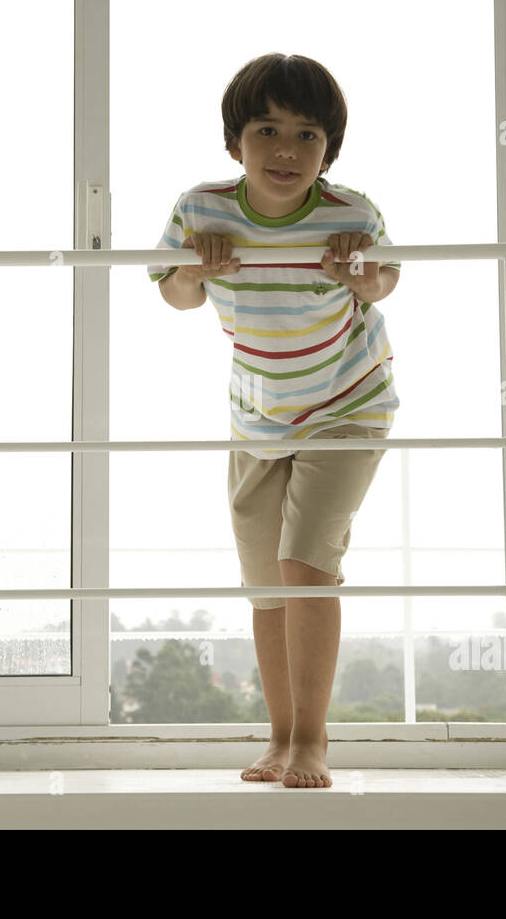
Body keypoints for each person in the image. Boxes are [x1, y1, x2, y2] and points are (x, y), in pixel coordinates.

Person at [146, 53, 401, 788]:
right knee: (265, 583)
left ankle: (313, 741)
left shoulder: (351, 214)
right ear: (235, 144)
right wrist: (198, 269)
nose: (286, 150)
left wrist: (362, 274)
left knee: (306, 565)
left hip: (347, 404)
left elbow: (386, 282)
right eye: (267, 130)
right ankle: (281, 733)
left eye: (307, 135)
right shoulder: (202, 209)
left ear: (328, 152)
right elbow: (176, 296)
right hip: (258, 413)